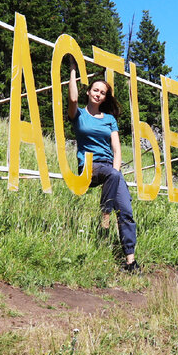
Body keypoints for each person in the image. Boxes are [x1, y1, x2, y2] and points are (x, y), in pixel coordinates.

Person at [68, 68, 139, 272]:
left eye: (102, 92)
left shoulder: (109, 119)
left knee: (126, 210)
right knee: (113, 177)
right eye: (95, 90)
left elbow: (117, 150)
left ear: (105, 97)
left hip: (110, 169)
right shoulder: (78, 114)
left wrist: (116, 175)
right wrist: (73, 71)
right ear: (88, 92)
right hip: (89, 165)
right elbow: (72, 98)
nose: (98, 94)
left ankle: (130, 262)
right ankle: (105, 215)